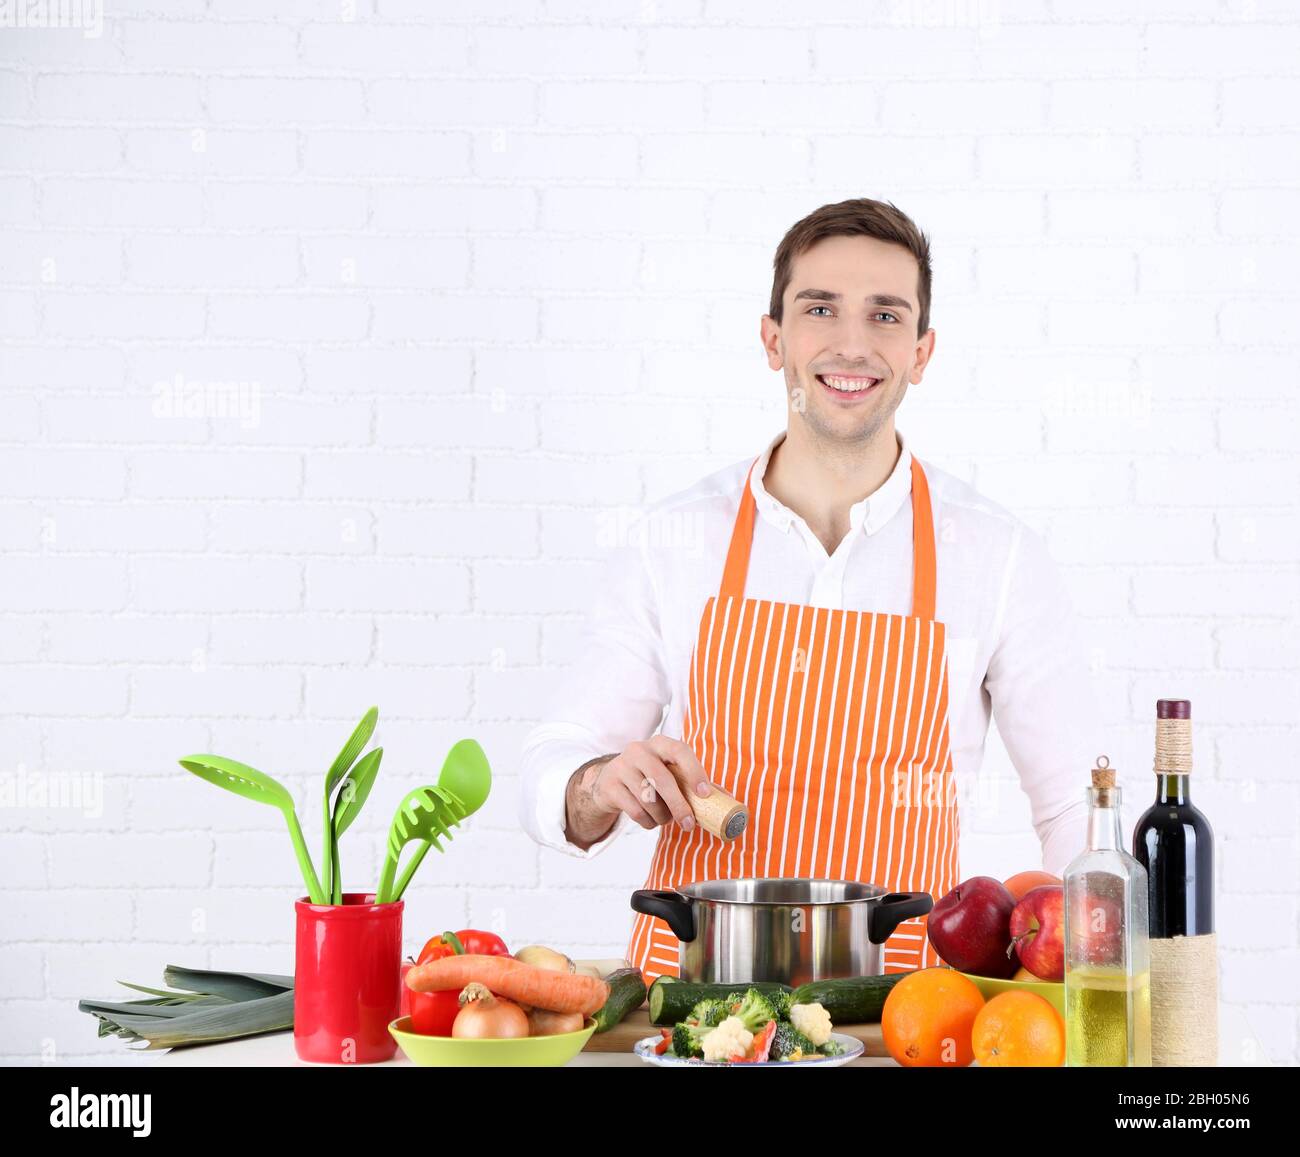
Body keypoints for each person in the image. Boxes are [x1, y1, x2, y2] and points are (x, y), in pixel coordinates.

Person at [518, 197, 1095, 983]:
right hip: (692, 1001)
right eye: (819, 308)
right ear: (773, 338)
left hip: (898, 1012)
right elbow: (554, 766)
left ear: (922, 352)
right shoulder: (674, 541)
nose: (852, 343)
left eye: (886, 315)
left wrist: (1096, 974)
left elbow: (1073, 811)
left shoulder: (999, 558)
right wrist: (597, 784)